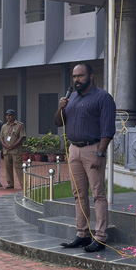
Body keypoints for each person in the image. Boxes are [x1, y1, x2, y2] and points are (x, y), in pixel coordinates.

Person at [55, 62, 116, 253]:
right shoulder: (71, 97)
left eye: (80, 76)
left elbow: (108, 129)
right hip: (74, 149)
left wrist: (100, 153)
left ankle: (100, 237)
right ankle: (82, 234)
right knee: (78, 194)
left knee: (97, 194)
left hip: (93, 149)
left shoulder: (103, 97)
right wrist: (61, 107)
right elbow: (58, 121)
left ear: (91, 76)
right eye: (74, 77)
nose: (76, 80)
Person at [0, 109, 26, 189]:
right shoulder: (4, 126)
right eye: (7, 115)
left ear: (14, 116)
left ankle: (23, 184)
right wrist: (4, 145)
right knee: (8, 168)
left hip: (15, 150)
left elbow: (22, 137)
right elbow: (1, 137)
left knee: (18, 167)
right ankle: (10, 183)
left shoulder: (20, 125)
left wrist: (14, 145)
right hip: (6, 151)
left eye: (10, 115)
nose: (8, 117)